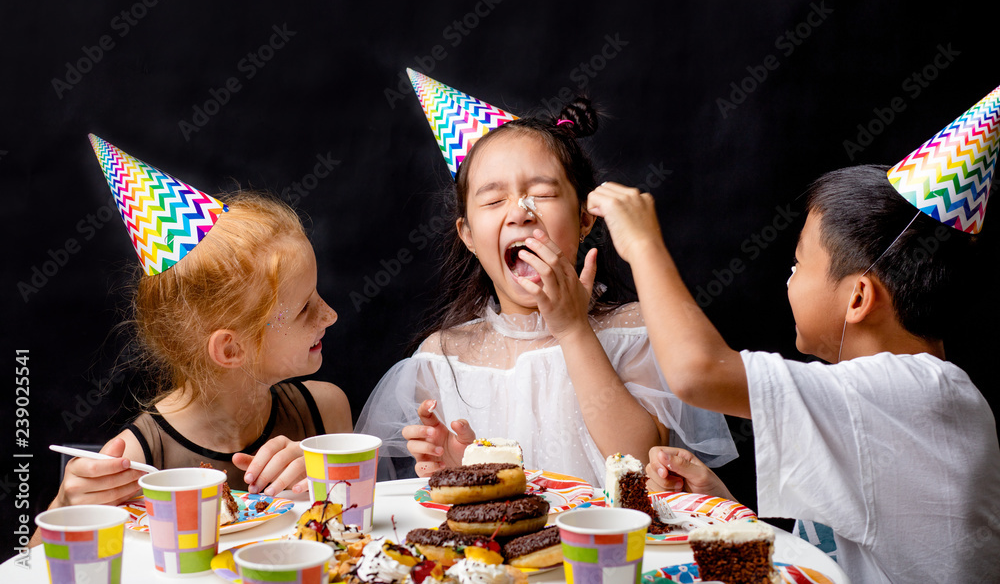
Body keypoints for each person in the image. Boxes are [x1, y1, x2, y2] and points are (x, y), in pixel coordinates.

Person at [587, 166, 1000, 583]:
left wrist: (642, 244)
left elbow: (697, 371)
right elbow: (822, 557)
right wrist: (722, 503)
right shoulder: (901, 397)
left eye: (799, 264)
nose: (788, 280)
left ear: (858, 297)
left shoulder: (912, 394)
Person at [356, 93, 736, 486]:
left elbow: (640, 469)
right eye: (493, 199)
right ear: (467, 235)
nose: (520, 210)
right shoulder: (442, 357)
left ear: (584, 218)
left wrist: (573, 329)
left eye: (543, 194)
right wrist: (458, 470)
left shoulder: (635, 331)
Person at [44, 140, 351, 523]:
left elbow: (357, 537)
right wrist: (65, 509)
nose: (331, 315)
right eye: (305, 308)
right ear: (230, 349)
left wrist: (332, 477)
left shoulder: (325, 413)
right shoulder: (138, 459)